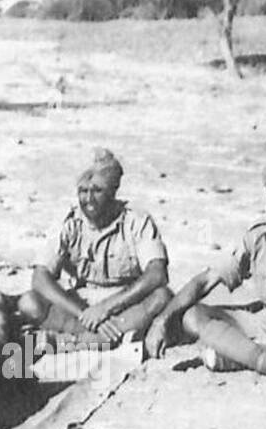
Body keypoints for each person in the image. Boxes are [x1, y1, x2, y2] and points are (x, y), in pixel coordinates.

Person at [144, 147, 266, 374]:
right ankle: (265, 360)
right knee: (192, 316)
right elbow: (206, 280)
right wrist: (161, 321)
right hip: (264, 322)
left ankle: (243, 357)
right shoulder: (258, 235)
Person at [17, 148, 170, 349]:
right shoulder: (69, 222)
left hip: (124, 303)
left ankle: (78, 341)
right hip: (80, 305)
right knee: (29, 302)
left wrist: (106, 308)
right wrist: (84, 313)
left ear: (113, 191)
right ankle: (102, 338)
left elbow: (157, 275)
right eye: (83, 191)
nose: (88, 199)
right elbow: (40, 278)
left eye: (97, 191)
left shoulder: (137, 221)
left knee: (162, 297)